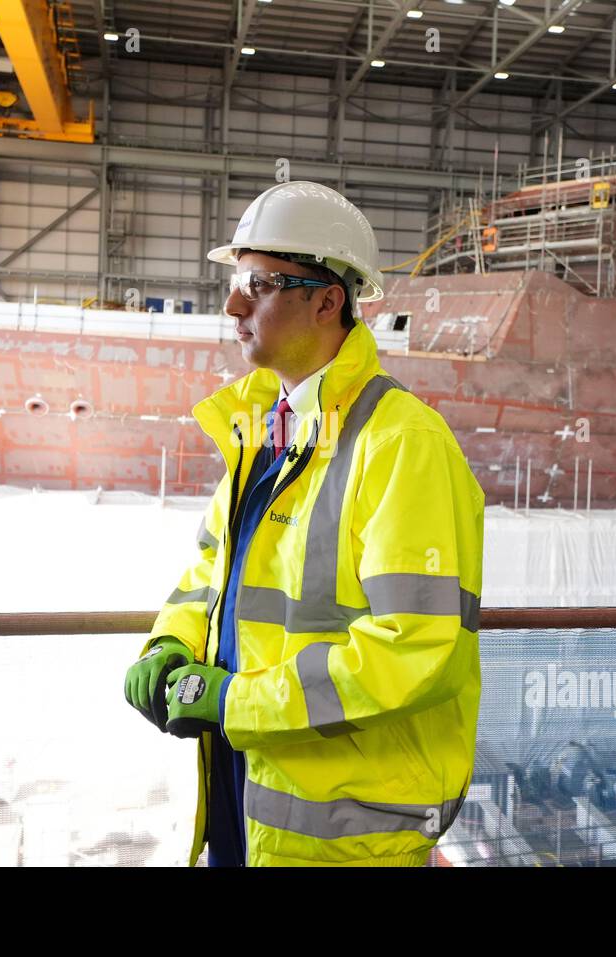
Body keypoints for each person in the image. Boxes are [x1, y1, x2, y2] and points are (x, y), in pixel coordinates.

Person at [124, 180, 485, 867]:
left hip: (345, 836)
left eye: (257, 284)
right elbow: (213, 575)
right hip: (247, 797)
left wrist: (236, 701)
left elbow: (415, 649)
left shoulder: (402, 444)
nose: (231, 304)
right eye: (234, 281)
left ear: (328, 300)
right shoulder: (265, 433)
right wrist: (167, 645)